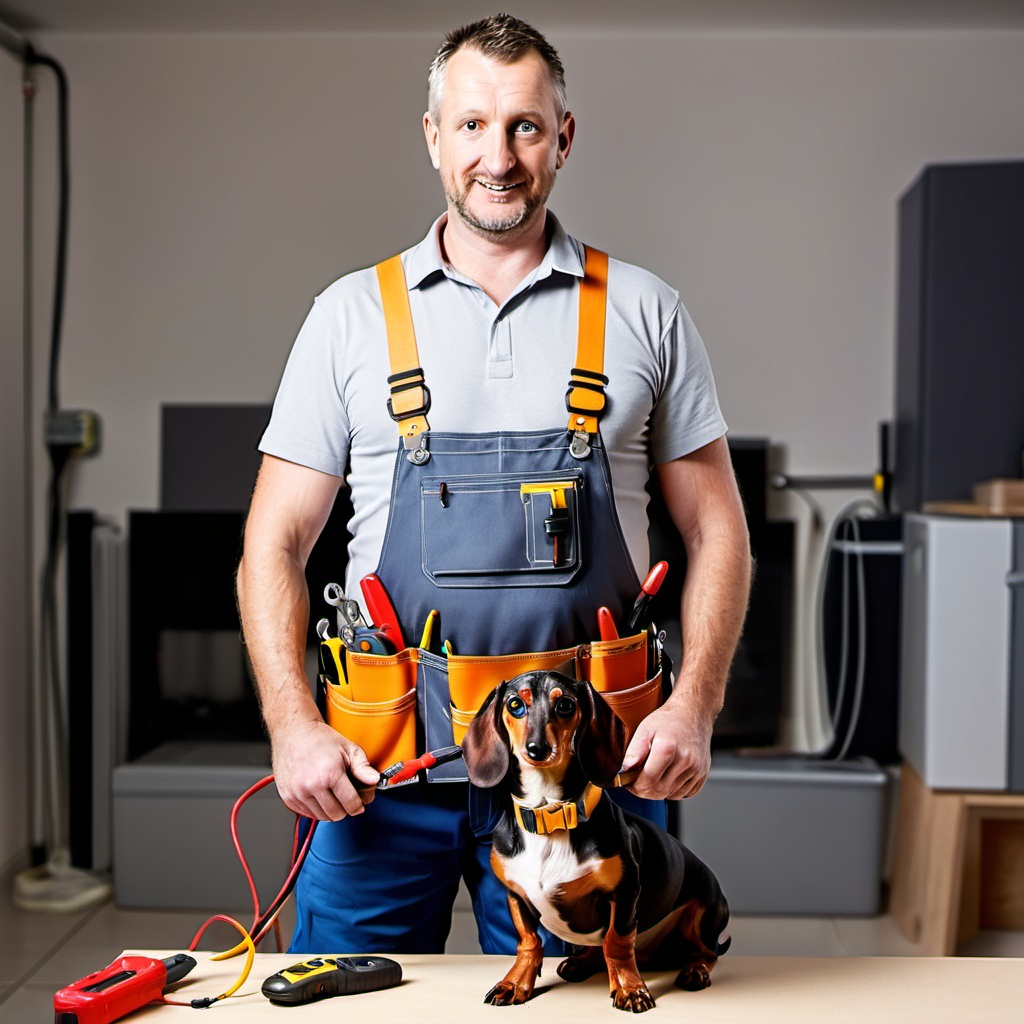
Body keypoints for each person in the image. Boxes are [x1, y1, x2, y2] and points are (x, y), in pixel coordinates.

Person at [236, 13, 751, 956]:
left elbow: (720, 533)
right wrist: (292, 726)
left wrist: (694, 707)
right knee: (347, 1006)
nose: (498, 155)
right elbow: (274, 543)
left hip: (591, 785)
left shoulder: (644, 311)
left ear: (564, 135)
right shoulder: (350, 317)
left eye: (524, 123)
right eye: (472, 124)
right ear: (435, 137)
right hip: (381, 775)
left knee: (591, 1011)